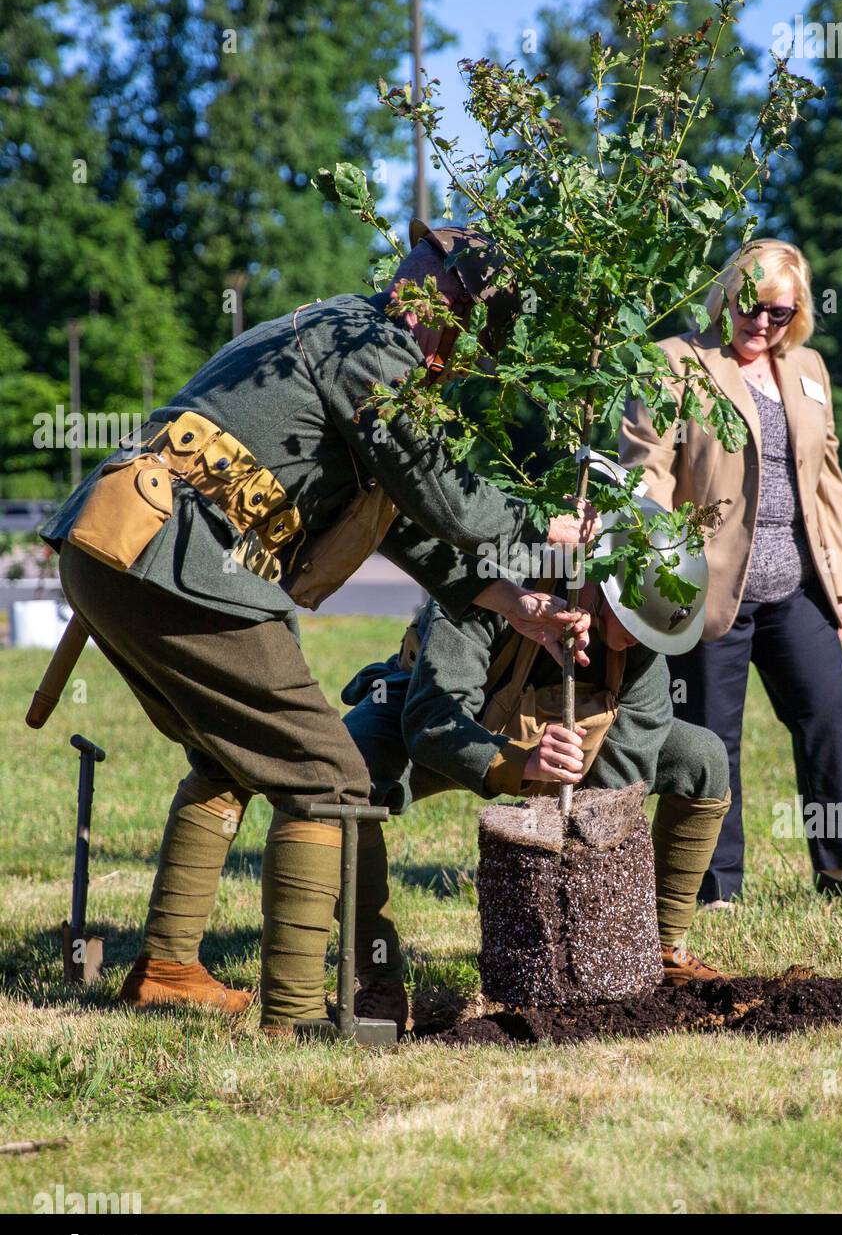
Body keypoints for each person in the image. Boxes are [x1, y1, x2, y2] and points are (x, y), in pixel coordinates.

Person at [40, 220, 596, 1033]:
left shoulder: (342, 332)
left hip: (125, 549)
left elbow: (401, 519)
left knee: (230, 757)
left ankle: (166, 968)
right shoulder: (366, 342)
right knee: (330, 779)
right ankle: (298, 1017)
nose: (436, 318)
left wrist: (516, 604)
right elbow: (441, 493)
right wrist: (539, 519)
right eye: (438, 292)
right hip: (173, 558)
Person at [342, 498, 732, 1029]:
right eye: (631, 622)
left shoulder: (642, 632)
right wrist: (518, 764)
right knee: (349, 767)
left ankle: (658, 951)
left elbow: (630, 764)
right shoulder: (494, 584)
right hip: (456, 728)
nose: (639, 642)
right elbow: (433, 719)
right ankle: (379, 979)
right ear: (597, 576)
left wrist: (583, 866)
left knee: (702, 755)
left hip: (575, 761)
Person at [621, 238, 842, 905]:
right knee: (713, 738)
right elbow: (646, 470)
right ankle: (712, 888)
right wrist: (658, 565)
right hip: (706, 587)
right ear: (726, 297)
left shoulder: (807, 367)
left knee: (827, 707)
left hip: (793, 586)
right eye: (749, 306)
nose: (760, 323)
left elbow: (825, 480)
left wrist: (838, 587)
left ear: (796, 312)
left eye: (777, 312)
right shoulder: (676, 363)